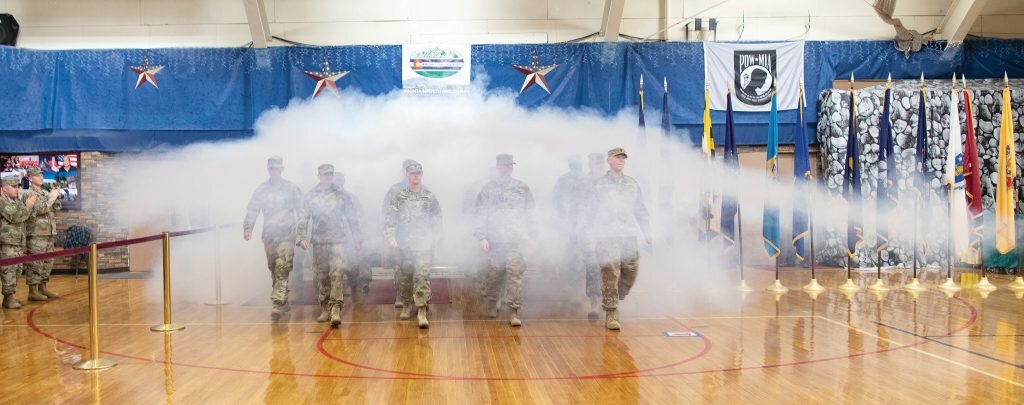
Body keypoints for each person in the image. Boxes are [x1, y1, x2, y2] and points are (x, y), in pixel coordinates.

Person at [586, 148, 651, 330]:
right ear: (609, 160)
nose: (621, 160)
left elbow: (640, 209)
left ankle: (617, 295)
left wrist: (647, 231)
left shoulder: (632, 184)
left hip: (628, 234)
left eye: (623, 158)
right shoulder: (598, 185)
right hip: (606, 235)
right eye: (617, 157)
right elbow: (589, 212)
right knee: (610, 273)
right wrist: (589, 236)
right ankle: (611, 312)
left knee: (631, 271)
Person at [243, 156, 309, 321]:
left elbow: (302, 212)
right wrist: (248, 228)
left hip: (286, 235)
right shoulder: (262, 190)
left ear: (282, 169)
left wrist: (301, 236)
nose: (274, 171)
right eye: (271, 169)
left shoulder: (291, 189)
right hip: (269, 236)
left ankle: (277, 303)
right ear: (268, 170)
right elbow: (253, 209)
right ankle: (284, 301)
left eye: (277, 169)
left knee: (282, 268)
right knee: (273, 268)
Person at [474, 154, 536, 326]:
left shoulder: (522, 188)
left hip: (516, 240)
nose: (507, 168)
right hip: (495, 241)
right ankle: (493, 302)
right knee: (493, 275)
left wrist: (532, 238)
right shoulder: (488, 188)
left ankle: (514, 310)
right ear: (498, 167)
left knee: (515, 275)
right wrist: (482, 237)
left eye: (509, 165)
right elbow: (479, 214)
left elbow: (531, 214)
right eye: (504, 165)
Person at [384, 161, 442, 328]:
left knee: (422, 277)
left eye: (418, 173)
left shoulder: (429, 197)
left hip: (424, 245)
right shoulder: (399, 197)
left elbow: (437, 220)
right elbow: (390, 220)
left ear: (422, 175)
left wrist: (436, 239)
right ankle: (408, 305)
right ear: (407, 175)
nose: (416, 176)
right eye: (412, 173)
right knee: (406, 277)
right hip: (404, 245)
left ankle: (422, 310)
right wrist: (391, 237)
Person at [304, 165, 361, 328]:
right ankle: (325, 308)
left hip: (338, 240)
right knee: (322, 276)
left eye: (330, 174)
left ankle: (335, 308)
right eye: (325, 174)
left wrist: (357, 238)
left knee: (337, 273)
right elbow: (303, 218)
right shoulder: (311, 195)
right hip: (319, 241)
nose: (328, 177)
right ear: (319, 176)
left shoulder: (341, 194)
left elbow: (352, 218)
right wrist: (302, 237)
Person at [22, 168, 62, 301]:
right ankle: (33, 291)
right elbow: (41, 209)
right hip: (36, 233)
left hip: (49, 232)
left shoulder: (45, 193)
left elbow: (55, 210)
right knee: (36, 262)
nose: (41, 177)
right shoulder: (29, 194)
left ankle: (43, 287)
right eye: (38, 175)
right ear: (30, 178)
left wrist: (56, 197)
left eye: (41, 175)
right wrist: (52, 197)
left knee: (47, 261)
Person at [382, 159, 415, 309]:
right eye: (409, 170)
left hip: (418, 236)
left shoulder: (423, 190)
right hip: (400, 236)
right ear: (404, 172)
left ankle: (417, 295)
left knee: (417, 267)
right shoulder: (394, 190)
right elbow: (387, 213)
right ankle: (401, 294)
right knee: (400, 267)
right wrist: (390, 235)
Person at [552, 155, 586, 295]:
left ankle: (579, 286)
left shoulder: (586, 180)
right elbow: (556, 200)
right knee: (568, 254)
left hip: (584, 222)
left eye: (578, 165)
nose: (576, 168)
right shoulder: (563, 180)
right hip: (567, 222)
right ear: (570, 165)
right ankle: (568, 283)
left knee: (583, 256)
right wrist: (563, 218)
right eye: (574, 165)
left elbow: (593, 200)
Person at [0, 174, 34, 309]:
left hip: (17, 242)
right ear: (5, 188)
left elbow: (24, 217)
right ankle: (8, 298)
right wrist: (29, 206)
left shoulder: (16, 201)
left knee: (17, 269)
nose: (17, 189)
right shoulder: (3, 201)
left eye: (18, 186)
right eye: (13, 187)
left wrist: (26, 207)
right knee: (8, 270)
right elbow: (16, 217)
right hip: (7, 242)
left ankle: (10, 297)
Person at [334, 172, 370, 298]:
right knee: (334, 265)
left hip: (348, 236)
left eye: (340, 180)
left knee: (352, 265)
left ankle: (354, 288)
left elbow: (359, 216)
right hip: (333, 237)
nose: (338, 182)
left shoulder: (351, 197)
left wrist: (358, 235)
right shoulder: (326, 197)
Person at [581, 152, 606, 319]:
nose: (595, 165)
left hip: (610, 230)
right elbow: (575, 205)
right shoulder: (583, 183)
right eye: (592, 162)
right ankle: (594, 300)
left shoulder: (610, 181)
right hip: (589, 229)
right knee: (592, 266)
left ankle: (609, 299)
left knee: (610, 267)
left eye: (598, 162)